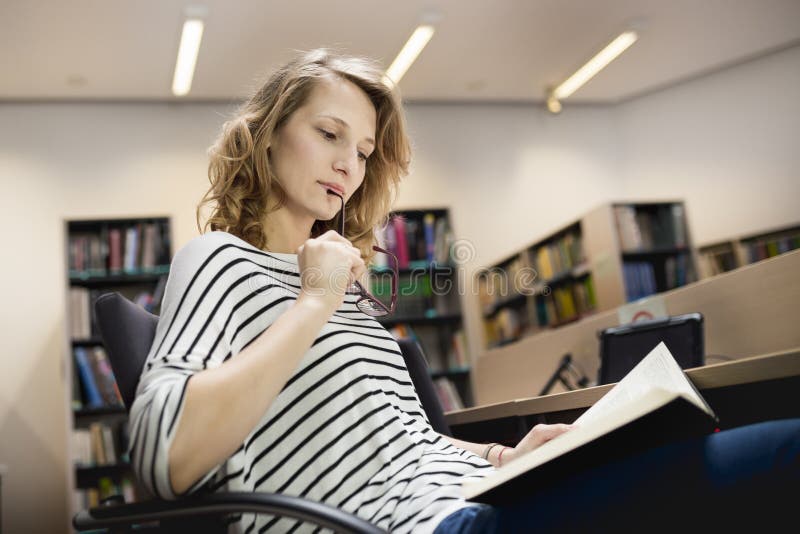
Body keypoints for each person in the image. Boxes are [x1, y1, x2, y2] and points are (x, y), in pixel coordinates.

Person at [128, 48, 800, 534]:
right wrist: (313, 302)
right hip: (436, 523)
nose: (347, 165)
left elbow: (403, 444)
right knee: (778, 456)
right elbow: (164, 460)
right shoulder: (221, 261)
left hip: (476, 496)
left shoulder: (345, 293)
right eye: (329, 134)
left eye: (363, 152)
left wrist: (504, 454)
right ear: (268, 134)